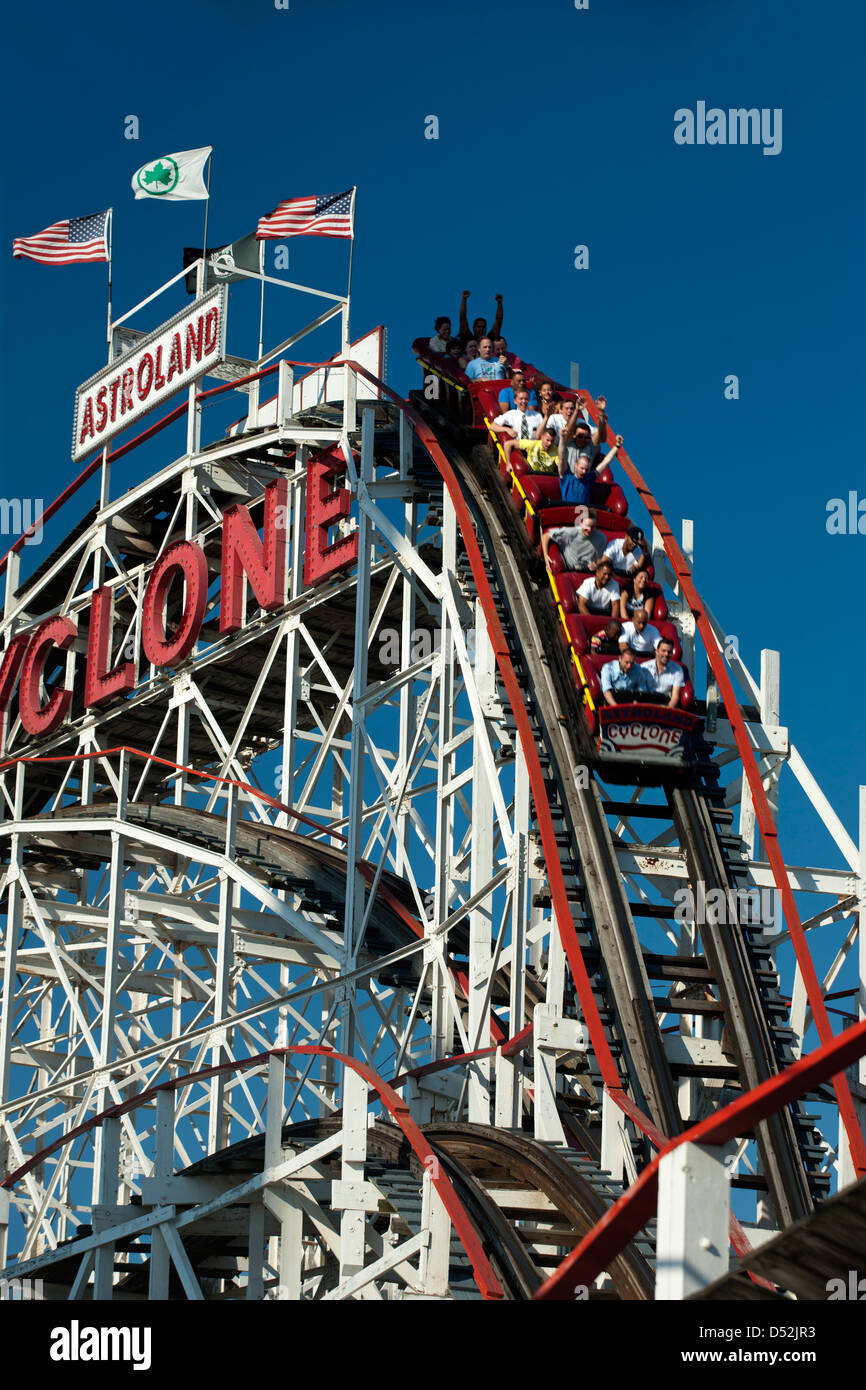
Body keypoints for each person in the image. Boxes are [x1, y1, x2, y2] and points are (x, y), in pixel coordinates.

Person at [559, 432, 624, 507]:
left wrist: (617, 446)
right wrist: (562, 438)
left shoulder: (588, 478)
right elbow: (561, 457)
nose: (584, 472)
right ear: (576, 465)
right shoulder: (566, 477)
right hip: (568, 511)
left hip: (583, 514)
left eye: (586, 469)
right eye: (582, 468)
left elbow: (605, 463)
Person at [541, 507, 606, 572]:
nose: (589, 530)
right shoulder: (570, 532)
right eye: (587, 526)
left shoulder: (601, 538)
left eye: (593, 527)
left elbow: (601, 559)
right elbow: (546, 536)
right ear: (581, 522)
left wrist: (596, 565)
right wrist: (545, 556)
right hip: (569, 569)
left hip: (587, 571)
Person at [641, 637, 684, 707]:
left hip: (664, 704)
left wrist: (667, 712)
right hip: (645, 703)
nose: (666, 654)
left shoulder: (677, 670)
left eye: (669, 652)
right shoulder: (644, 667)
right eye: (663, 651)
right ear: (657, 651)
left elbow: (675, 697)